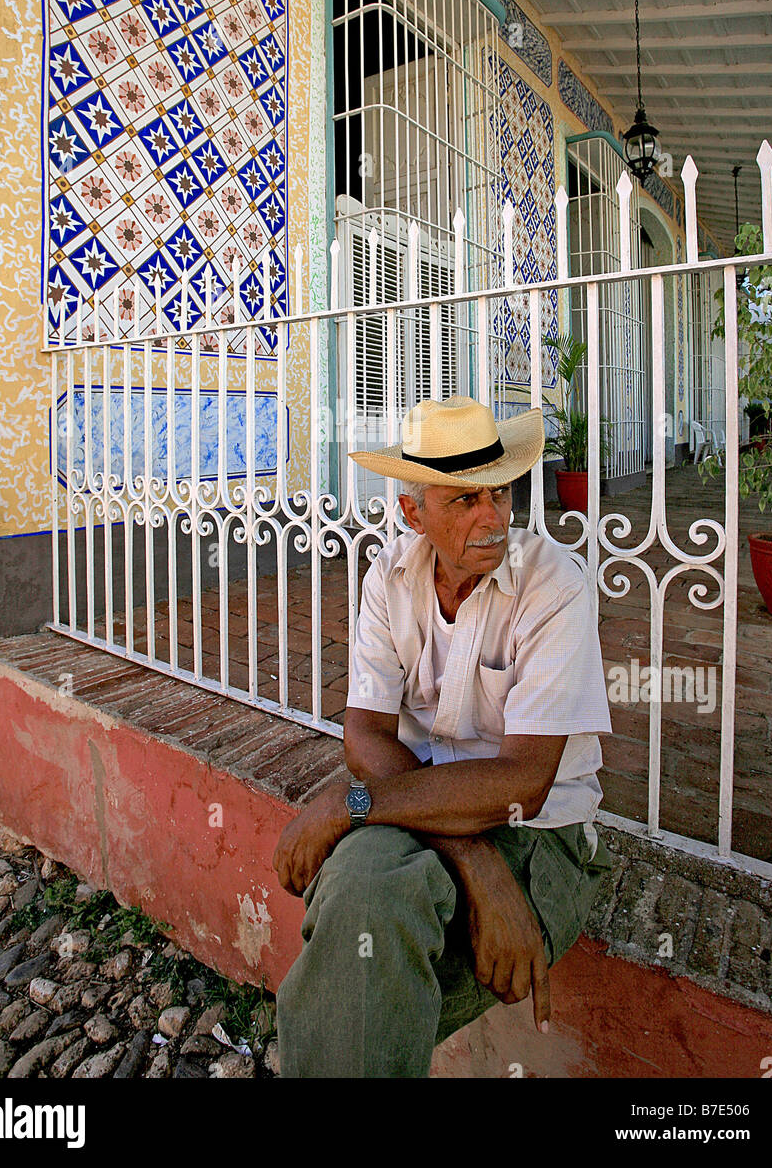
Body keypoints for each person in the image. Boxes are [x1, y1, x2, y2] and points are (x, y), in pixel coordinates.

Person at [272, 395, 613, 1078]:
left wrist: (350, 805)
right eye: (461, 502)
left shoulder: (554, 587)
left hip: (540, 835)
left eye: (499, 493)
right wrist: (474, 861)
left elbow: (522, 783)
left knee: (366, 968)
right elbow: (364, 731)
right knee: (363, 894)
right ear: (412, 513)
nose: (491, 518)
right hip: (425, 806)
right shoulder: (388, 578)